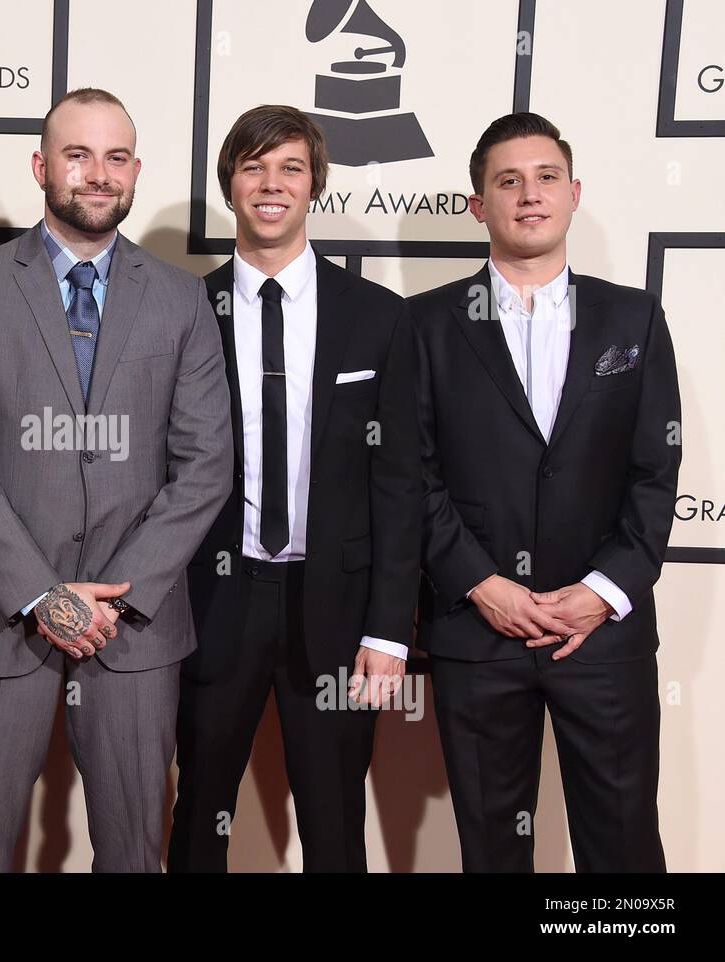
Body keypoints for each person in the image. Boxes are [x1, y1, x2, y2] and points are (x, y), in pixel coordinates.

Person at [0, 88, 232, 872]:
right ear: (41, 166)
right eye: (78, 155)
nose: (98, 174)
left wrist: (117, 594)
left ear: (135, 171)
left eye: (116, 157)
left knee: (134, 852)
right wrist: (44, 593)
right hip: (1, 615)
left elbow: (206, 467)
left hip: (136, 623)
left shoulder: (181, 297)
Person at [409, 112, 681, 872]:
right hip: (477, 634)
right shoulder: (425, 326)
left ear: (573, 194)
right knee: (492, 851)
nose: (529, 195)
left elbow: (656, 474)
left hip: (606, 636)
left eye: (545, 178)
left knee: (623, 850)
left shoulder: (633, 318)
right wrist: (482, 585)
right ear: (477, 205)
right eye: (508, 181)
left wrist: (602, 591)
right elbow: (412, 476)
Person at [169, 105, 421, 872]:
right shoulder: (181, 311)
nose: (271, 184)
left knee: (336, 824)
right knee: (197, 813)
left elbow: (402, 481)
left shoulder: (379, 317)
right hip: (214, 600)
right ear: (229, 184)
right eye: (253, 166)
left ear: (314, 183)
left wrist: (388, 631)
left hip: (339, 613)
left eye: (290, 167)